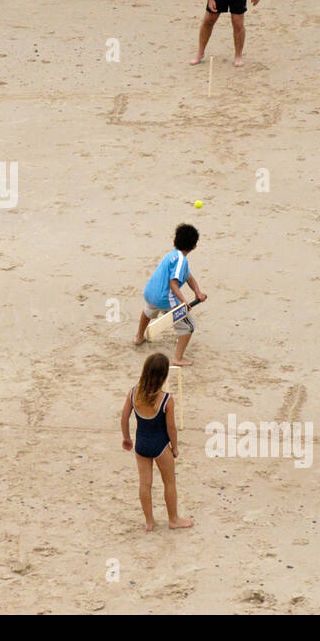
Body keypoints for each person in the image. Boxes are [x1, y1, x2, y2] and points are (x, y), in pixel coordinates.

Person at [120, 353, 193, 531]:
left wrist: (127, 438)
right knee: (169, 482)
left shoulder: (133, 393)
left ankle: (149, 521)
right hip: (160, 446)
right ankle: (173, 519)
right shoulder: (166, 399)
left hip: (141, 445)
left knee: (145, 484)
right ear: (163, 376)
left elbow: (124, 418)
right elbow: (171, 427)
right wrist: (174, 447)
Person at [134, 223, 206, 365]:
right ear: (194, 246)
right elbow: (173, 283)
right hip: (165, 299)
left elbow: (188, 276)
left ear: (174, 241)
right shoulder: (181, 261)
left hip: (150, 293)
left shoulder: (172, 255)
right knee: (188, 326)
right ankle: (178, 358)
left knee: (148, 310)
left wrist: (197, 292)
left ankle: (139, 337)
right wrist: (184, 302)